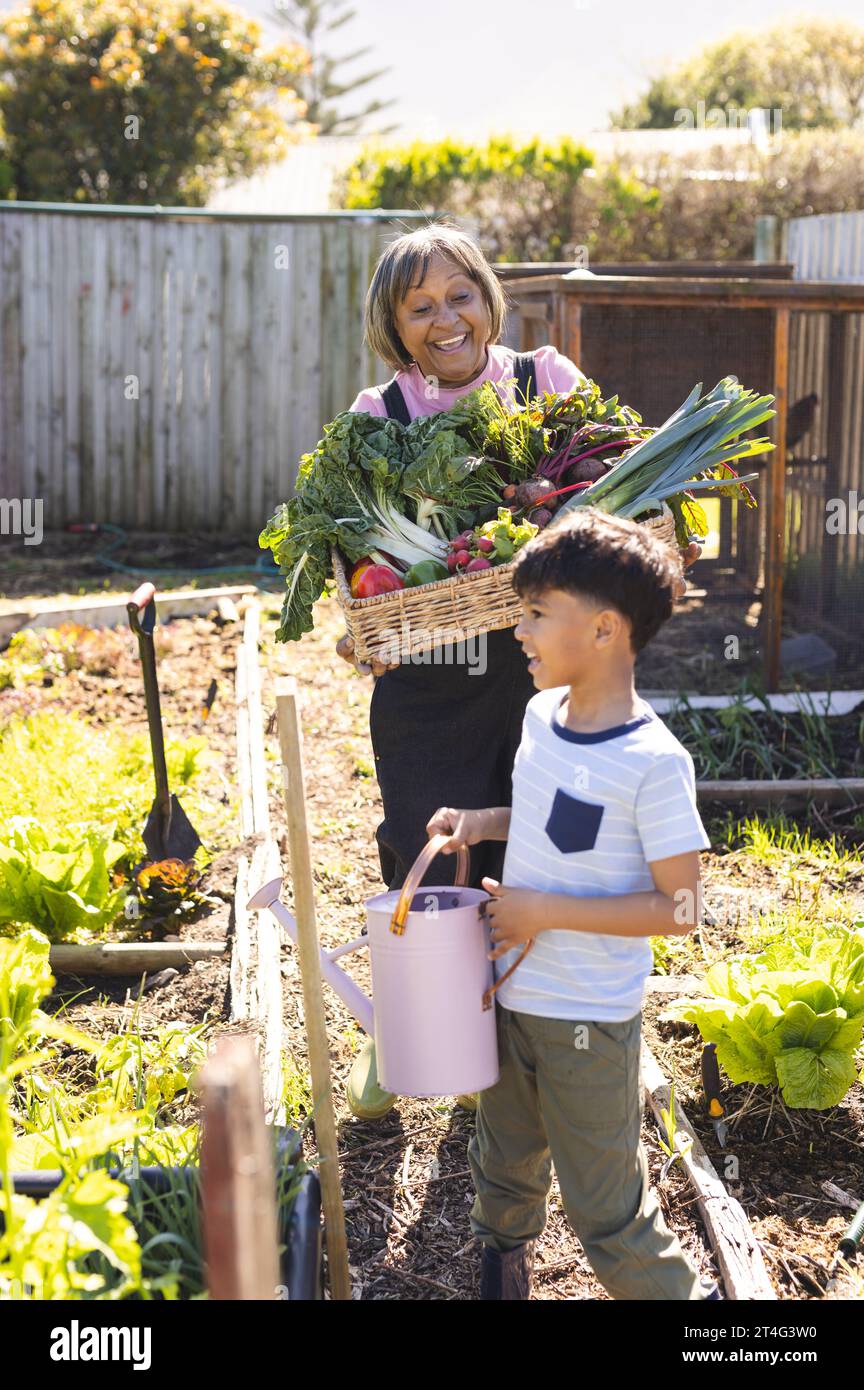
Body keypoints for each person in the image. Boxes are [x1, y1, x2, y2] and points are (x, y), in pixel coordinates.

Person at [337, 222, 700, 1120]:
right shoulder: (374, 416)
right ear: (394, 322)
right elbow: (356, 564)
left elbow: (618, 499)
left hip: (550, 661)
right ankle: (409, 1024)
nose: (443, 318)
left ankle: (525, 1030)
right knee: (426, 839)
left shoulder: (547, 379)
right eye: (418, 306)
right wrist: (362, 627)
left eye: (459, 295)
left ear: (487, 297)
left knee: (545, 839)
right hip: (428, 670)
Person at [426, 509, 721, 1301]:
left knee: (606, 1210)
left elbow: (680, 907)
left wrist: (543, 912)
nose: (517, 632)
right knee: (503, 1156)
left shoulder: (652, 762)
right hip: (511, 990)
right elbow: (549, 822)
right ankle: (503, 1266)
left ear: (602, 631)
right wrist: (477, 825)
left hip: (587, 1019)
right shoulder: (538, 717)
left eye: (533, 614)